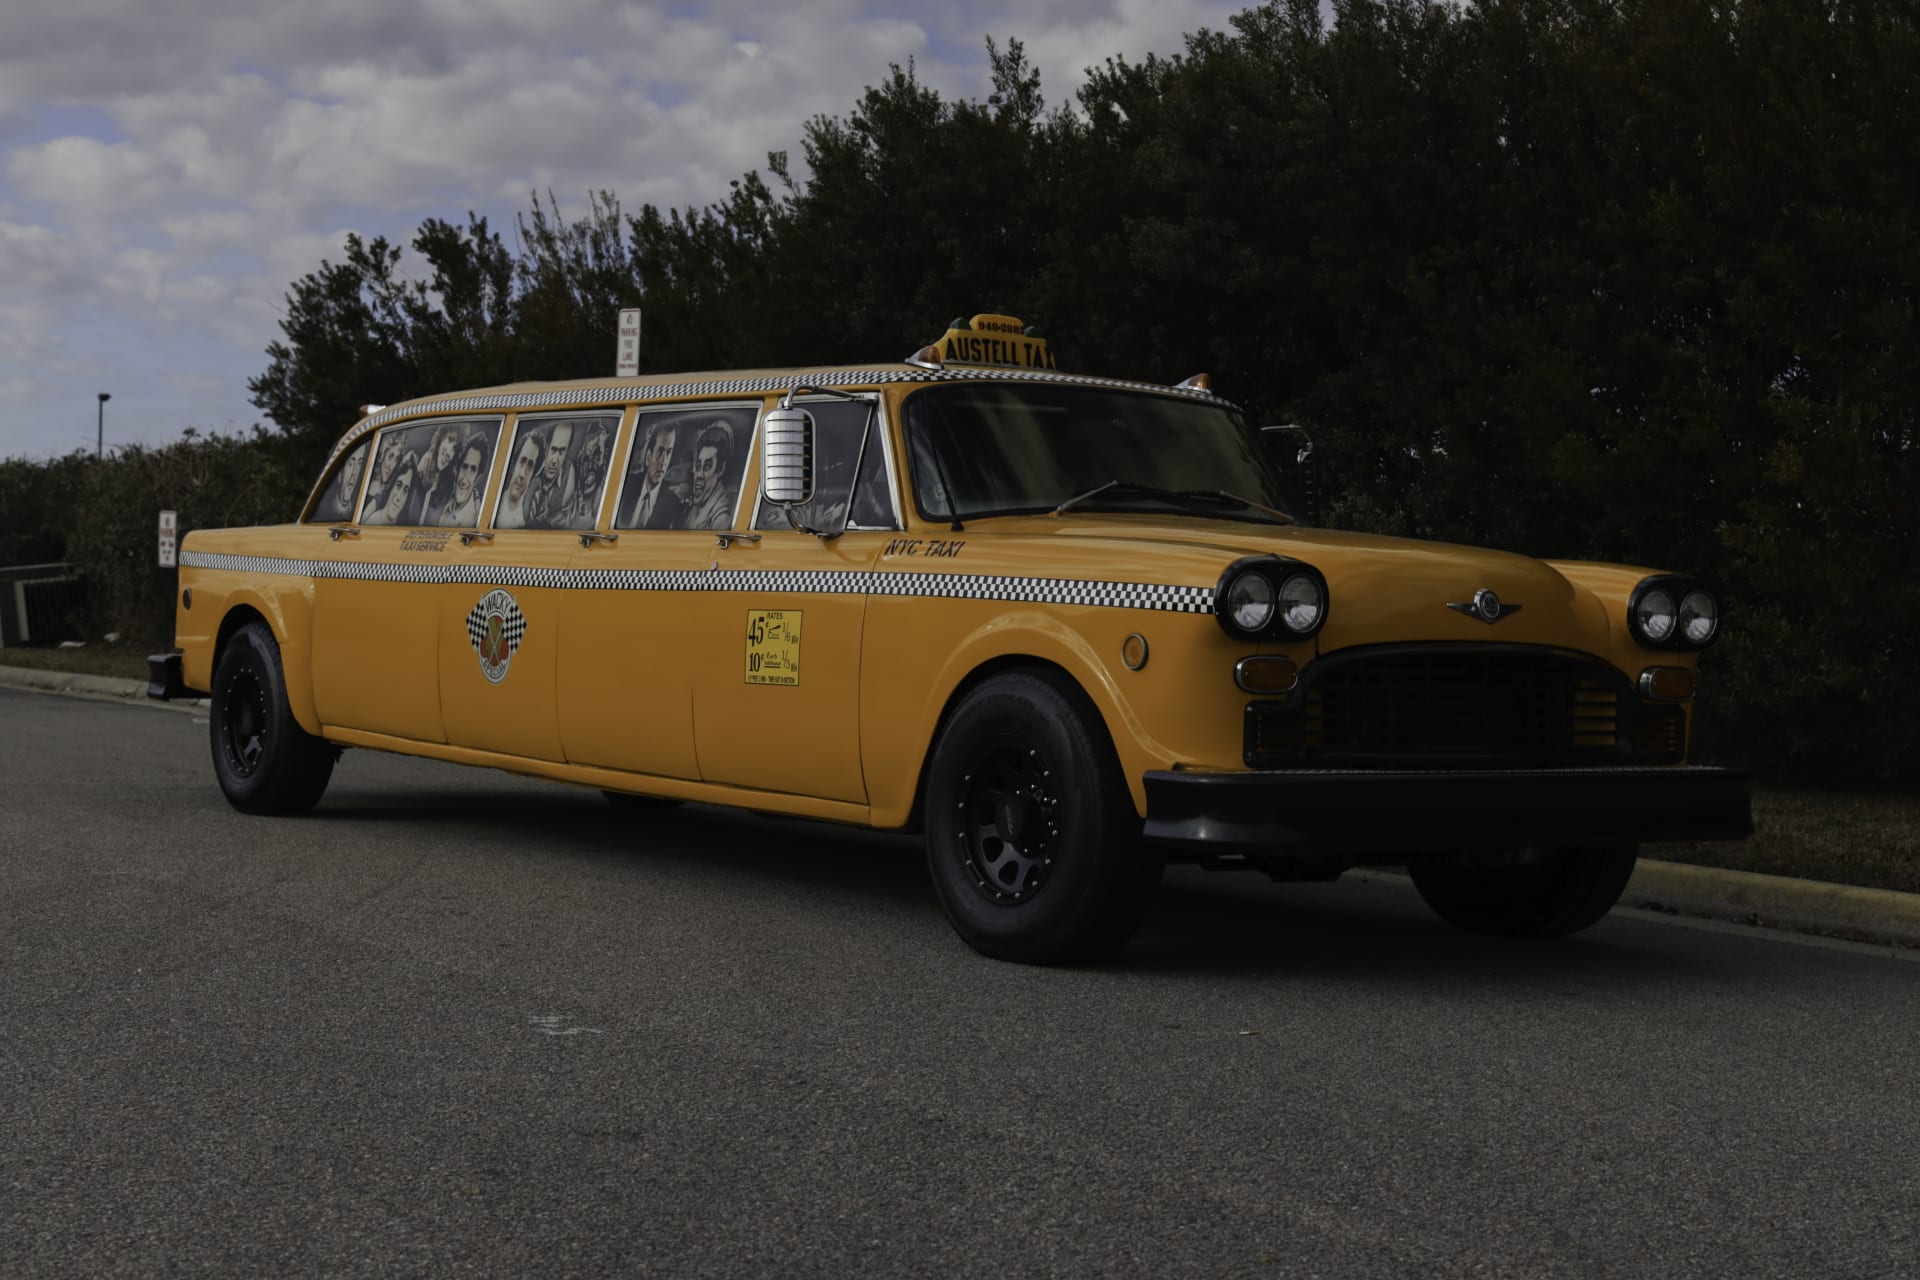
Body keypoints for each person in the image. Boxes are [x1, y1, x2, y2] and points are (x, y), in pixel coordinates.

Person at [622, 420, 687, 529]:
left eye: (668, 452)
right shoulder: (626, 486)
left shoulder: (673, 504)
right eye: (660, 452)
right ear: (648, 457)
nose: (664, 461)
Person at [680, 422, 737, 530]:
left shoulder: (721, 518)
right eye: (698, 466)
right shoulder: (692, 507)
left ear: (720, 470)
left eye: (707, 467)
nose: (699, 475)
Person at [525, 422, 578, 529]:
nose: (555, 460)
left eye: (561, 452)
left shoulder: (569, 474)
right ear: (546, 447)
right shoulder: (530, 463)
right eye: (553, 450)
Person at [431, 436, 490, 527]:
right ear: (457, 470)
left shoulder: (476, 520)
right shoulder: (445, 502)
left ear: (477, 478)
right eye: (464, 467)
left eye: (473, 470)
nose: (464, 480)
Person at [495, 435, 542, 530]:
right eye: (522, 461)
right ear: (513, 465)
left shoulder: (529, 520)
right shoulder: (493, 505)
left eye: (530, 466)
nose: (523, 474)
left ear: (533, 474)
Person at [361, 454, 418, 526]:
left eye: (405, 491)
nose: (399, 497)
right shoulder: (374, 522)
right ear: (391, 486)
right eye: (398, 485)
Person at [321, 445, 365, 521]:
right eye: (350, 464)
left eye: (359, 464)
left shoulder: (363, 512)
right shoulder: (323, 513)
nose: (354, 472)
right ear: (339, 474)